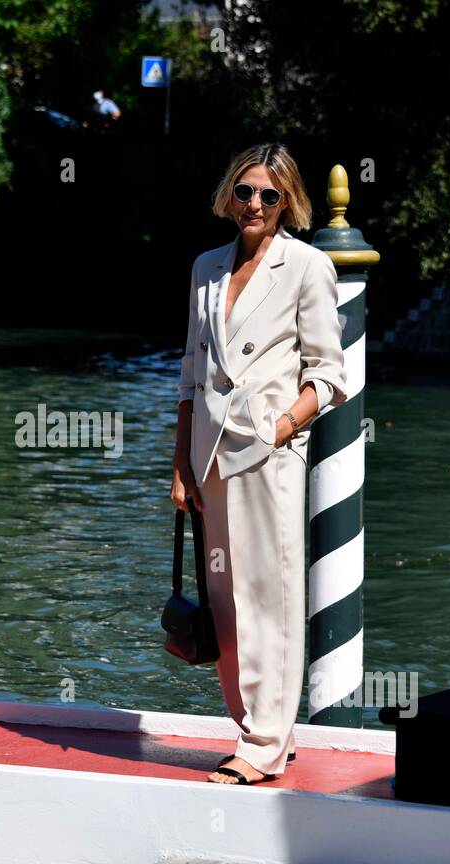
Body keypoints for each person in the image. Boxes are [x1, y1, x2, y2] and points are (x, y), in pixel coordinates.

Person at [171, 143, 347, 785]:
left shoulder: (307, 266)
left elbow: (330, 376)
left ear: (288, 202)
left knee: (268, 598)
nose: (255, 204)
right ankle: (255, 727)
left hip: (267, 455)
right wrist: (181, 465)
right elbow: (191, 375)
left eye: (269, 195)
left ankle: (266, 743)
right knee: (226, 601)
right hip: (209, 455)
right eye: (246, 191)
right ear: (230, 194)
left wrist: (280, 428)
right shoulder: (206, 268)